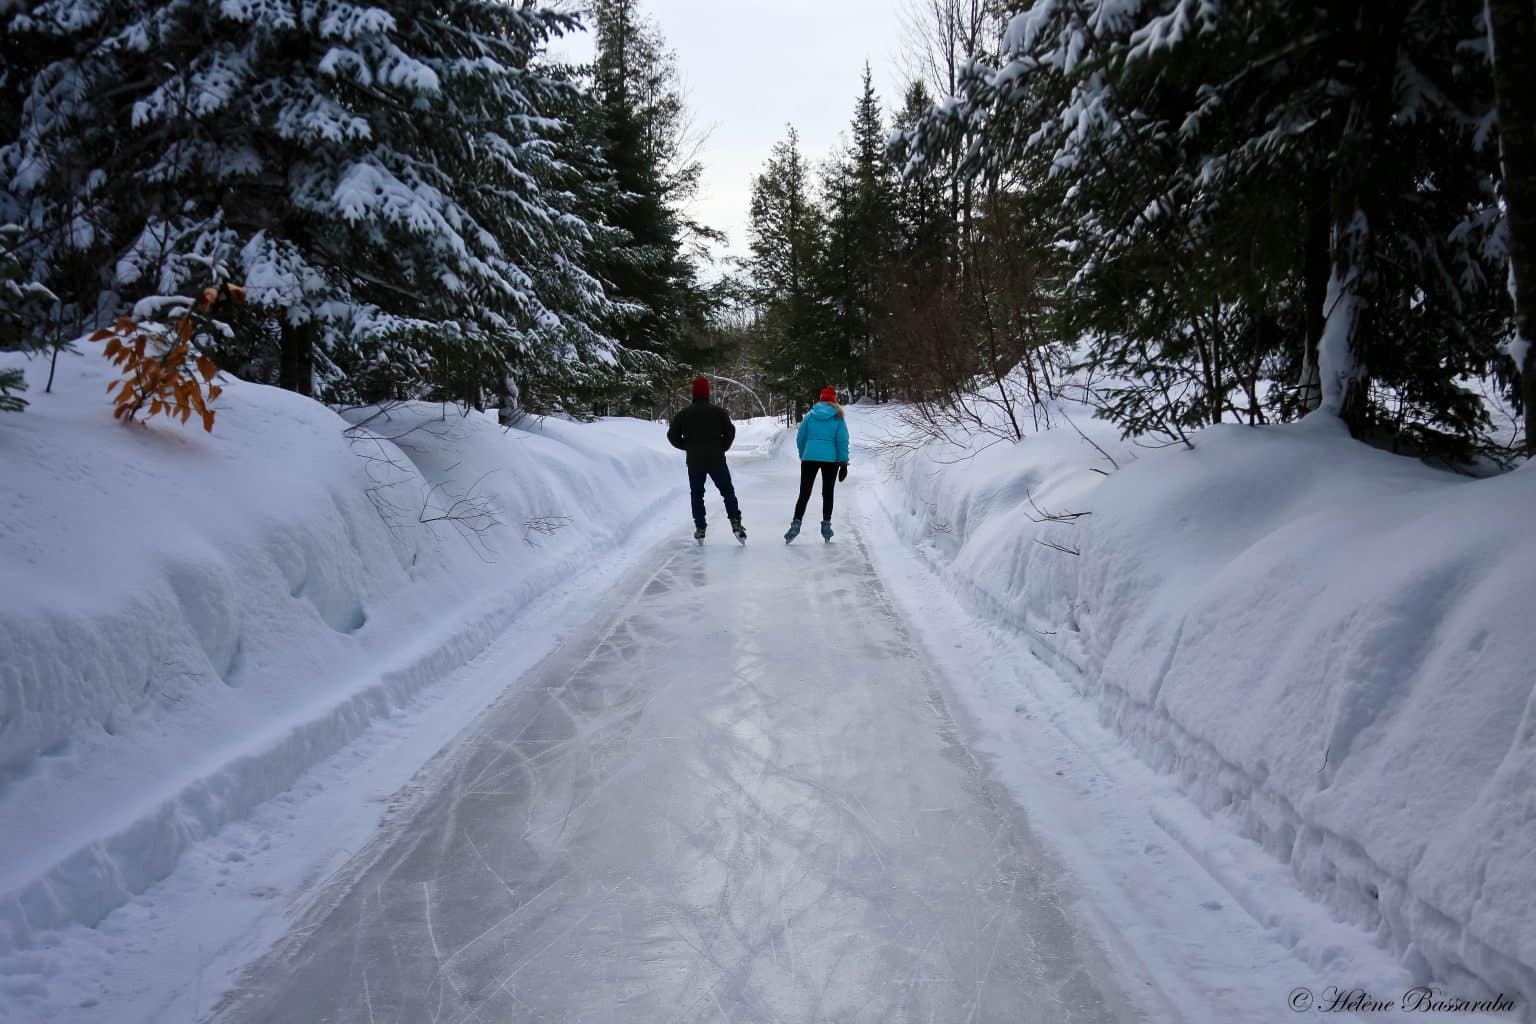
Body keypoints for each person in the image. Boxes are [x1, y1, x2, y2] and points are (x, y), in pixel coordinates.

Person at [667, 376, 746, 542]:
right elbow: (730, 432)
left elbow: (672, 436)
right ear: (708, 393)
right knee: (727, 491)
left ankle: (700, 527)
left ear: (693, 394)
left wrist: (687, 446)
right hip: (716, 459)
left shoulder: (684, 414)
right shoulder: (718, 412)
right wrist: (722, 447)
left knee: (697, 495)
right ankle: (736, 523)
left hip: (695, 462)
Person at [785, 386, 849, 543]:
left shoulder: (809, 416)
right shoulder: (838, 416)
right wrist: (843, 462)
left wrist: (803, 455)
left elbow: (801, 438)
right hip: (830, 460)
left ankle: (796, 524)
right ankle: (826, 525)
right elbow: (842, 440)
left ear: (820, 399)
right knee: (827, 493)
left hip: (810, 458)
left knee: (804, 493)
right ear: (834, 400)